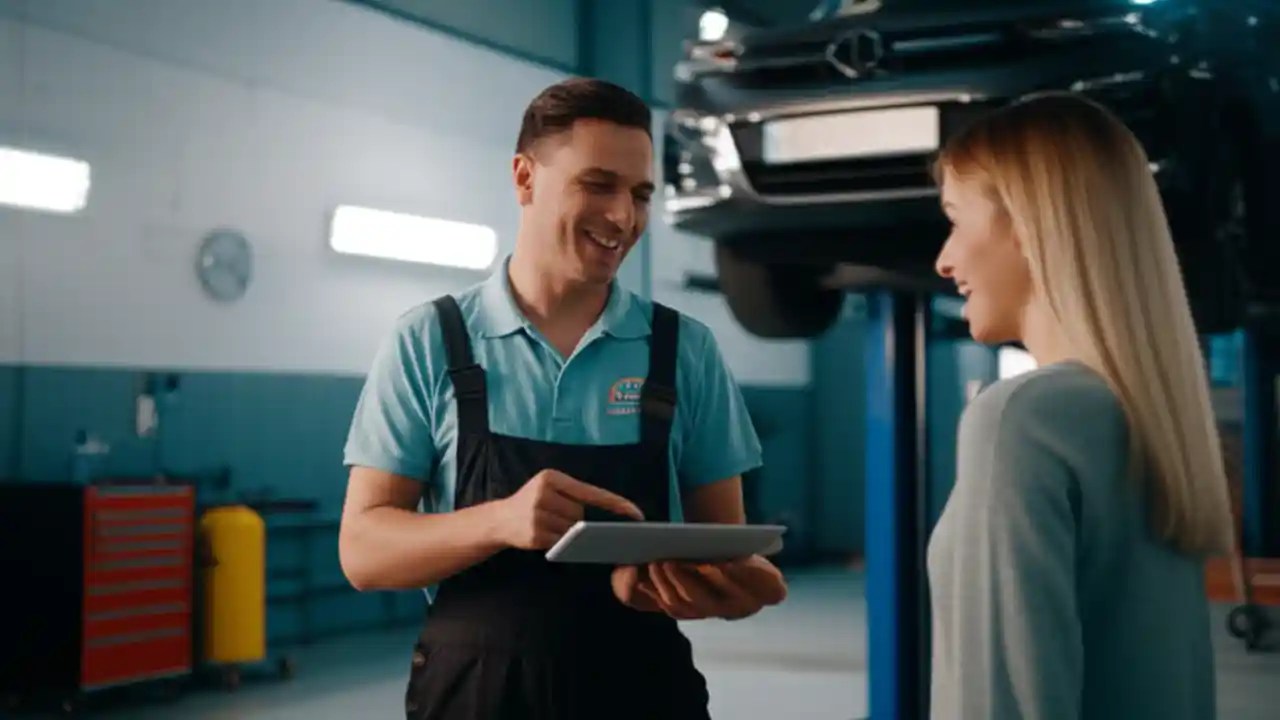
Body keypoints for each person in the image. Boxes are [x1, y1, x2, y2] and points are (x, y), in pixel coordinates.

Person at [337, 77, 788, 720]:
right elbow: (362, 551)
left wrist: (706, 590)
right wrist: (502, 520)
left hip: (642, 694)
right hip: (473, 697)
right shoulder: (430, 342)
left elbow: (735, 566)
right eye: (598, 184)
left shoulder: (684, 351)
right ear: (524, 178)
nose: (624, 218)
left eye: (639, 195)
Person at [928, 92, 1235, 719]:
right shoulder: (1151, 421)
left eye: (957, 219)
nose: (944, 259)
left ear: (1028, 222)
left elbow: (1005, 703)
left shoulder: (1020, 420)